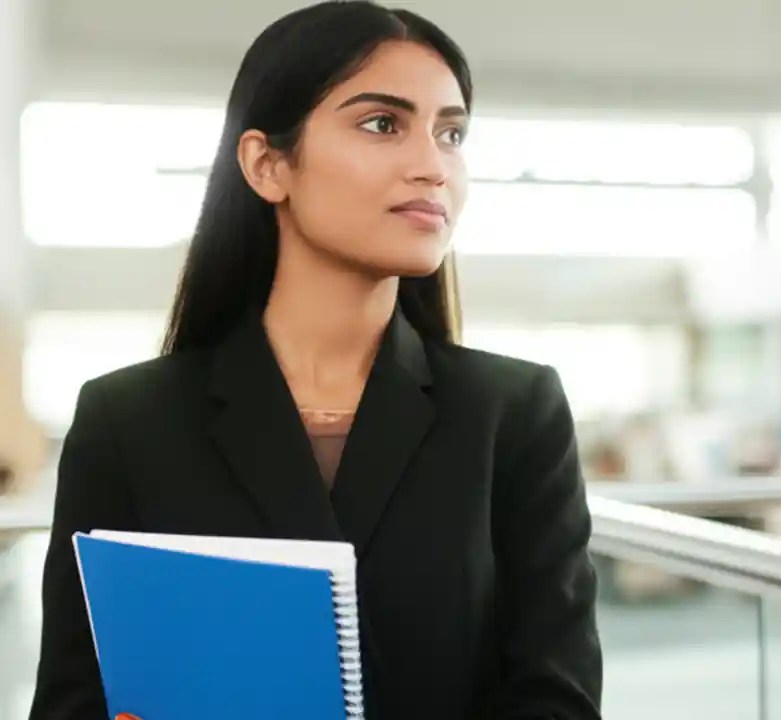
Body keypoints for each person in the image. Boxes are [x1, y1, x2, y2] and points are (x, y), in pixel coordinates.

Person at [28, 2, 602, 718]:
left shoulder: (513, 413)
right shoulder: (129, 420)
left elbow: (557, 698)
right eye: (382, 124)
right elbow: (73, 700)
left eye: (450, 134)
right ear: (268, 165)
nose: (433, 166)